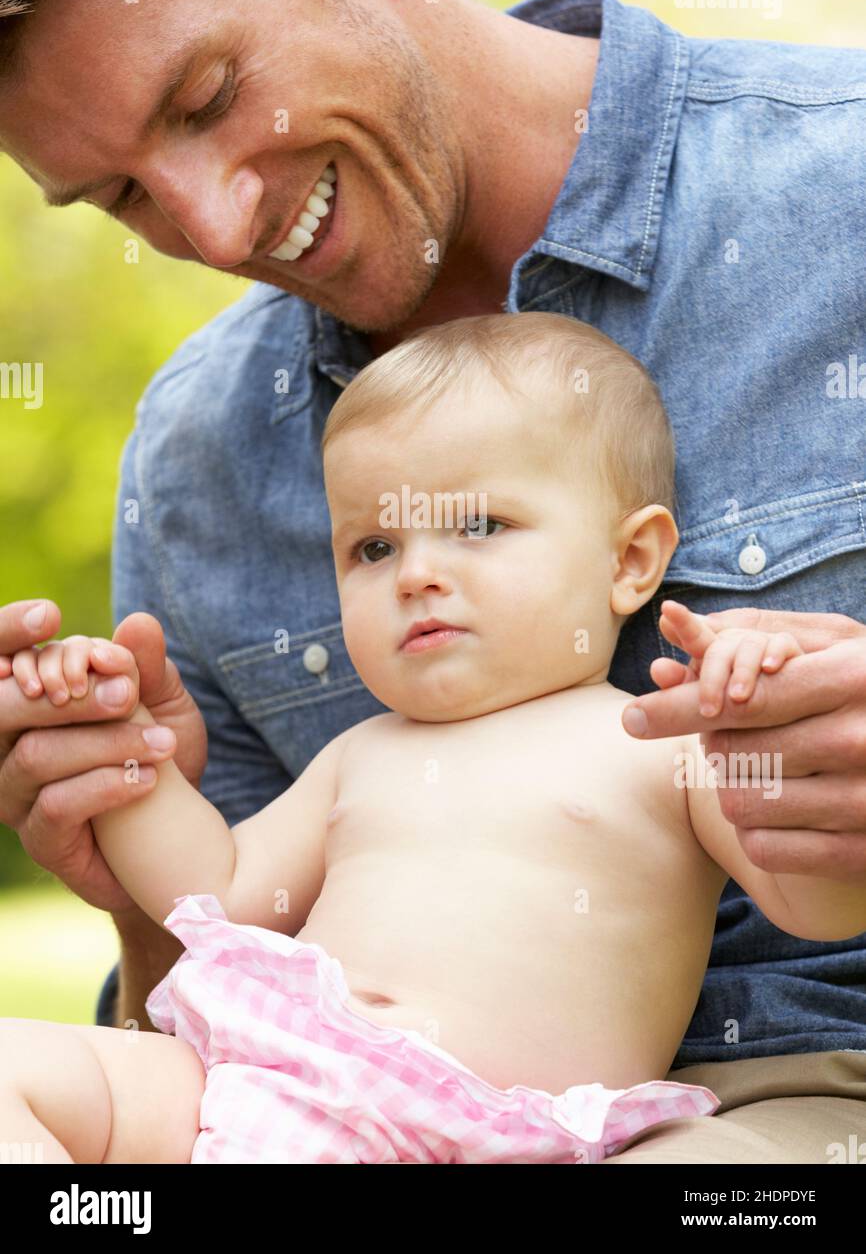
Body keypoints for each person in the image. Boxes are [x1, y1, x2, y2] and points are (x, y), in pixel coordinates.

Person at [0, 0, 865, 1164]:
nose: (213, 223)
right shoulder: (197, 455)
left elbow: (808, 887)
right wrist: (119, 792)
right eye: (119, 197)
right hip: (299, 1099)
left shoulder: (835, 195)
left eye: (210, 96)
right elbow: (214, 923)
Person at [4, 311, 854, 1165]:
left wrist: (771, 719)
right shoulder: (364, 753)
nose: (416, 575)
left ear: (631, 561)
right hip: (266, 1088)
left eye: (479, 526)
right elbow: (222, 889)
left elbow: (821, 906)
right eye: (374, 546)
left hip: (499, 1138)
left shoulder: (661, 747)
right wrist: (119, 751)